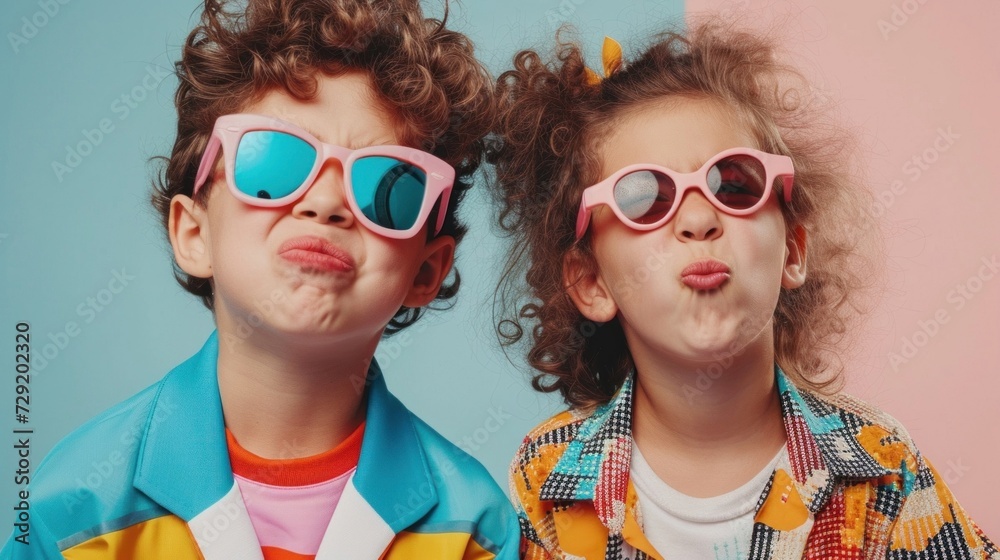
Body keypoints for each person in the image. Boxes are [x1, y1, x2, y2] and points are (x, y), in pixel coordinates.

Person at [1, 0, 518, 558]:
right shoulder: (78, 505)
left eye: (386, 189)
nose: (325, 203)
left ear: (424, 271)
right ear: (194, 234)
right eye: (274, 166)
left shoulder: (474, 529)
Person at [489, 21, 998, 559]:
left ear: (793, 250)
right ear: (592, 283)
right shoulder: (551, 475)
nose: (699, 218)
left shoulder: (880, 466)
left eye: (733, 184)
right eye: (643, 198)